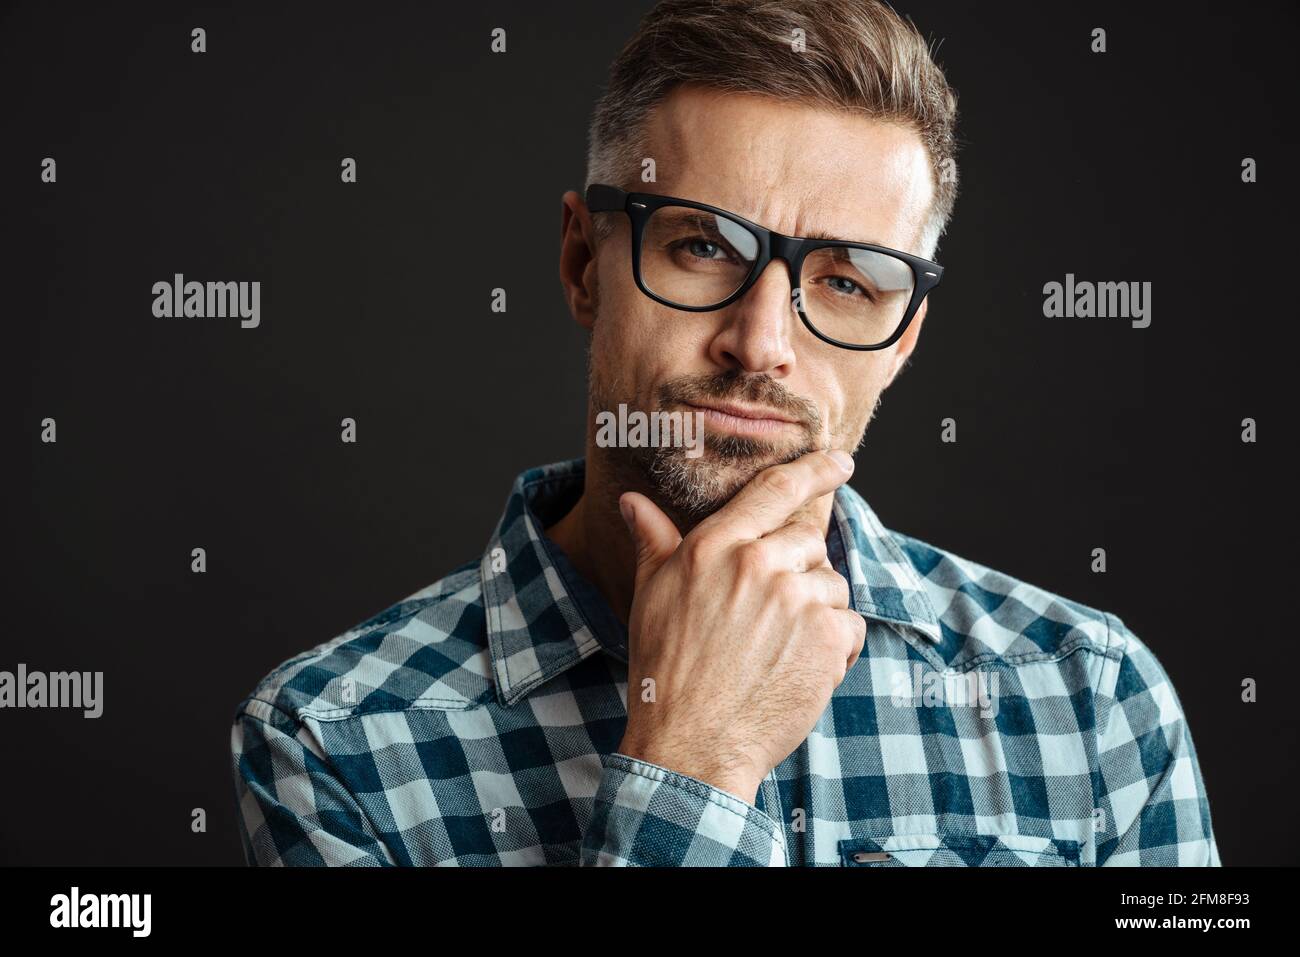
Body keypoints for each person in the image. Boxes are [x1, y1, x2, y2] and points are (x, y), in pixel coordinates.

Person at [230, 0, 1219, 866]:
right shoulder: (334, 740)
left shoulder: (1088, 697)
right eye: (702, 246)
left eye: (844, 280)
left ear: (904, 338)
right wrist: (690, 761)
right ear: (585, 262)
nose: (760, 344)